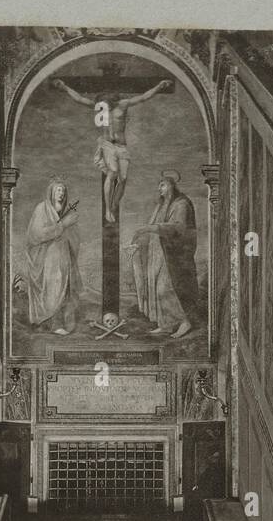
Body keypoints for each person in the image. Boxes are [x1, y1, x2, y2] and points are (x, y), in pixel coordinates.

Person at [53, 77, 172, 223]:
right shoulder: (98, 106)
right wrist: (64, 87)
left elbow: (143, 97)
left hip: (121, 146)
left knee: (123, 179)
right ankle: (107, 210)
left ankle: (114, 205)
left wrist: (159, 86)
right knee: (113, 172)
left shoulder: (123, 105)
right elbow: (79, 98)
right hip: (107, 145)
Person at [129, 170, 200, 338]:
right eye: (159, 185)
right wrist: (137, 244)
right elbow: (152, 228)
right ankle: (166, 324)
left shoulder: (181, 204)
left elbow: (177, 227)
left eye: (162, 185)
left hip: (172, 253)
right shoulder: (160, 206)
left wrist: (147, 228)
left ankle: (184, 321)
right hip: (157, 252)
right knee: (156, 288)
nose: (159, 188)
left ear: (171, 186)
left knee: (164, 288)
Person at [25, 177, 82, 335]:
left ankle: (63, 322)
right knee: (53, 289)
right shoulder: (42, 208)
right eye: (58, 190)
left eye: (63, 191)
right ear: (51, 191)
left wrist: (69, 228)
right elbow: (37, 234)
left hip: (63, 259)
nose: (61, 193)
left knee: (64, 289)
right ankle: (54, 324)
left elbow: (72, 236)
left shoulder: (63, 212)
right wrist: (63, 225)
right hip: (48, 260)